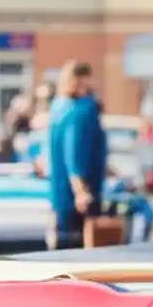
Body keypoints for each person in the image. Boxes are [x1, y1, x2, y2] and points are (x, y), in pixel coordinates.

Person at [46, 61, 107, 250]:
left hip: (60, 193)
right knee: (82, 253)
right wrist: (80, 190)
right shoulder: (82, 110)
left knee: (63, 250)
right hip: (79, 195)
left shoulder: (58, 107)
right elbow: (74, 152)